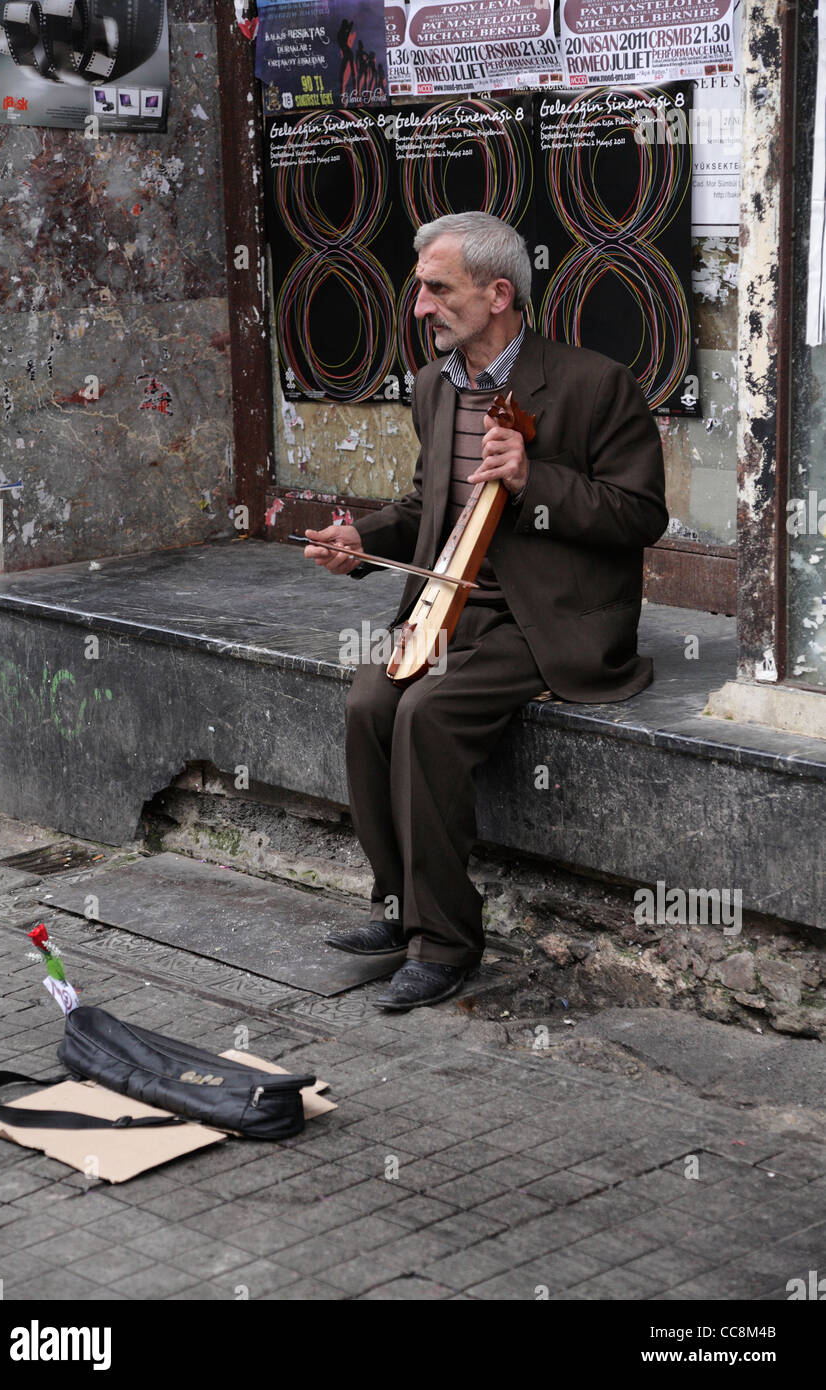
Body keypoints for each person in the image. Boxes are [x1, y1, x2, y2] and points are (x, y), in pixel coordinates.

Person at [301, 211, 668, 1012]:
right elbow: (425, 504)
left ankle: (447, 942)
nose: (421, 307)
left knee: (426, 714)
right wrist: (357, 540)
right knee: (370, 701)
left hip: (548, 618)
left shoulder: (592, 384)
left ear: (498, 294)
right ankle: (399, 909)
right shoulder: (436, 387)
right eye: (420, 289)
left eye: (438, 290)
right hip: (448, 608)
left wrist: (538, 480)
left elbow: (640, 516)